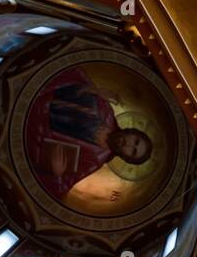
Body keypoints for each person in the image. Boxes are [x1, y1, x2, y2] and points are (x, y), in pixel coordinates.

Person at [35, 68, 152, 198]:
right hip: (39, 97)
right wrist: (88, 89)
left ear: (126, 157)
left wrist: (57, 172)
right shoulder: (106, 111)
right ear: (132, 132)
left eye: (133, 151)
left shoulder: (94, 159)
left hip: (34, 131)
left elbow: (59, 189)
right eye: (135, 141)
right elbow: (73, 75)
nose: (129, 145)